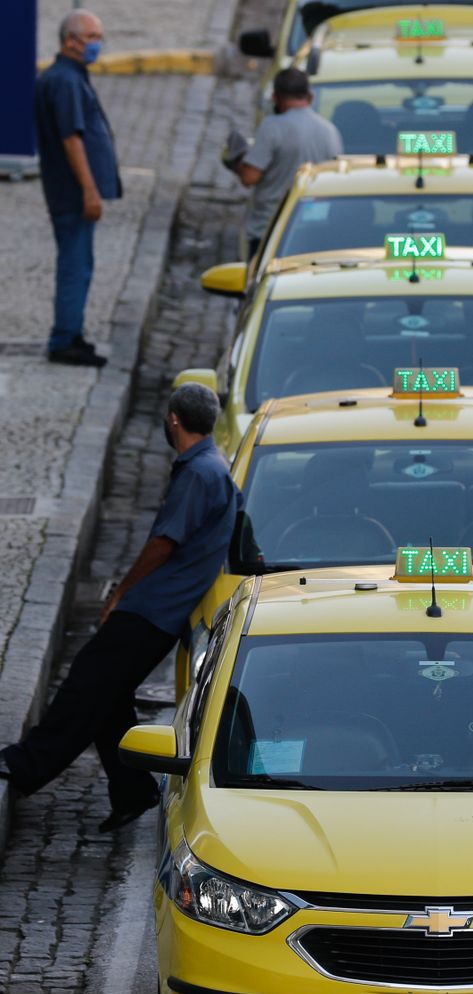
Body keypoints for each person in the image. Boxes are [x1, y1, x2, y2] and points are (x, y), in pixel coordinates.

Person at [0, 384, 242, 832]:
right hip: (165, 612)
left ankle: (24, 764)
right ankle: (133, 791)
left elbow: (163, 544)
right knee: (108, 699)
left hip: (152, 608)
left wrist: (120, 593)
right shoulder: (215, 467)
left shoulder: (198, 475)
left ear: (173, 420)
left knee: (86, 684)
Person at [35, 8, 121, 368]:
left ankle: (73, 332)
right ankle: (65, 339)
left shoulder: (66, 77)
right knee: (75, 266)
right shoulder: (65, 82)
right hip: (71, 193)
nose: (97, 45)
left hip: (67, 191)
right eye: (91, 38)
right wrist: (89, 189)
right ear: (70, 40)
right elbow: (72, 138)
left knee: (79, 263)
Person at [224, 67, 342, 259]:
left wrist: (236, 161)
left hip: (272, 230)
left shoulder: (272, 127)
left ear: (275, 98)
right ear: (310, 97)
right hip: (317, 228)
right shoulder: (330, 131)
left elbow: (249, 177)